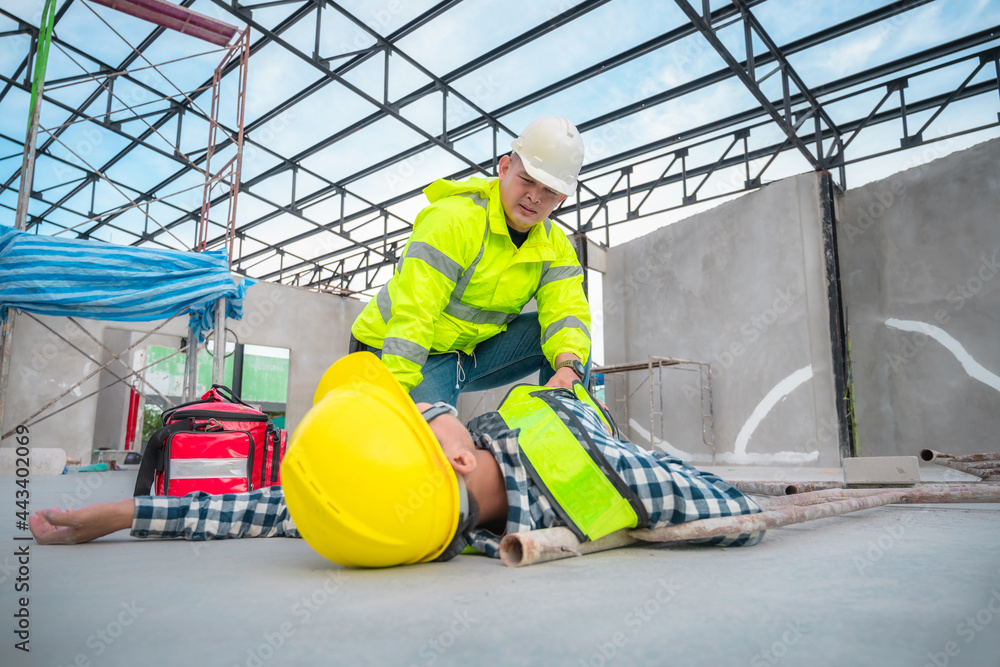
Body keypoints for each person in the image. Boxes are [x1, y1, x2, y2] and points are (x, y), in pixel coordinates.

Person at [31, 353, 763, 566]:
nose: (431, 410)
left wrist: (126, 511)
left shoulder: (421, 526)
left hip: (562, 401)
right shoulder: (584, 469)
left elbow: (270, 510)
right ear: (455, 461)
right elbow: (728, 506)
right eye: (422, 421)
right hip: (565, 414)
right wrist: (124, 512)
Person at [349, 116, 592, 406]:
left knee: (571, 354)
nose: (534, 197)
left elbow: (566, 311)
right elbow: (415, 311)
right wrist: (398, 395)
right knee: (432, 431)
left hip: (468, 354)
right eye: (527, 180)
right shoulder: (453, 219)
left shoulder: (555, 246)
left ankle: (565, 422)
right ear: (504, 168)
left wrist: (569, 369)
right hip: (398, 352)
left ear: (561, 197)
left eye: (549, 190)